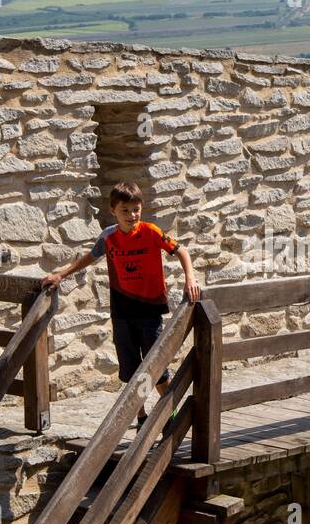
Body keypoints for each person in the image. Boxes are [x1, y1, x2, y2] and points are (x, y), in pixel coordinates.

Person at [41, 182, 200, 430]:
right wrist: (61, 274)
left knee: (155, 365)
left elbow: (182, 251)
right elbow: (90, 257)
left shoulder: (151, 231)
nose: (132, 215)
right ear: (113, 210)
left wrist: (189, 278)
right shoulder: (109, 237)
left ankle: (171, 412)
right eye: (125, 210)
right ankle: (140, 417)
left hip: (149, 309)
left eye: (136, 209)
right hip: (122, 311)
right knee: (131, 368)